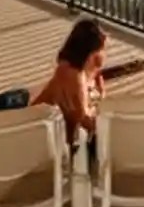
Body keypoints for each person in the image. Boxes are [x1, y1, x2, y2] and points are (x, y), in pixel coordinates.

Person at [33, 19, 107, 151]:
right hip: (44, 135)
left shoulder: (83, 70)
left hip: (57, 132)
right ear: (90, 53)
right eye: (101, 50)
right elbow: (83, 120)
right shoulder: (73, 76)